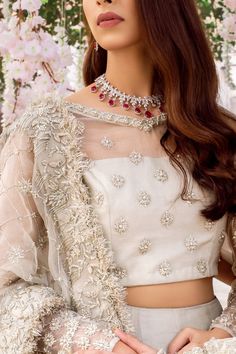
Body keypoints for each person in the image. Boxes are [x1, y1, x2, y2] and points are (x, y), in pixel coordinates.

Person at [0, 0, 235, 353]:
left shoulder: (218, 133)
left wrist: (223, 333)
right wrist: (99, 344)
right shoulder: (45, 133)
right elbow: (7, 287)